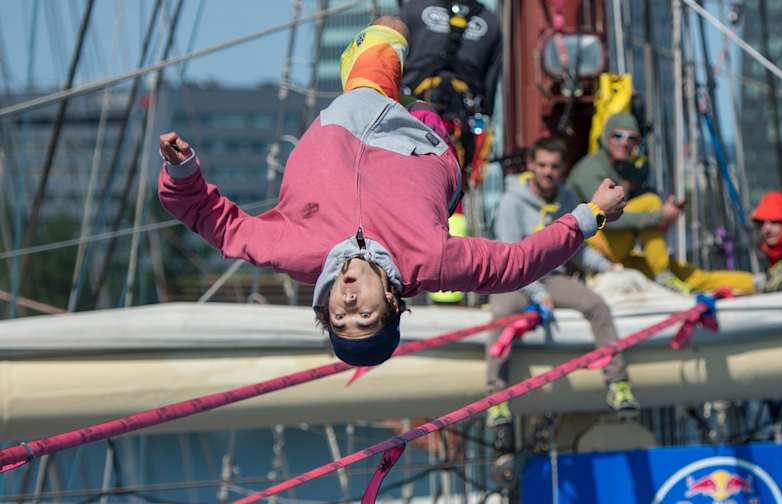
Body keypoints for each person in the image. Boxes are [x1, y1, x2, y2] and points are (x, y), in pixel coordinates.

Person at [157, 17, 626, 367]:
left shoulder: (292, 252)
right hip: (425, 138)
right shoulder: (430, 261)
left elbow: (211, 218)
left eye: (339, 320)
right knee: (449, 83)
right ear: (392, 303)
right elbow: (517, 266)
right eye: (365, 319)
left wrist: (183, 171)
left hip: (361, 105)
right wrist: (591, 215)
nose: (349, 309)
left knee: (393, 28)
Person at [485, 137, 637, 431]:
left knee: (597, 305)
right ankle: (496, 398)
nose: (547, 172)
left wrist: (610, 268)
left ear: (562, 169)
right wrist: (538, 294)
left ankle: (618, 384)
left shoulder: (566, 198)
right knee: (501, 316)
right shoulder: (510, 203)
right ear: (530, 166)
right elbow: (509, 255)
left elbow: (577, 246)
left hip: (553, 276)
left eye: (554, 166)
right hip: (515, 280)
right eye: (541, 165)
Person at [566, 113, 759, 295]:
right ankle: (662, 273)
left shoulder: (626, 169)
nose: (625, 142)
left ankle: (755, 283)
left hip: (617, 254)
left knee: (685, 275)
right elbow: (607, 220)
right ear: (606, 137)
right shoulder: (590, 170)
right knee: (650, 203)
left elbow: (642, 219)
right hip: (589, 253)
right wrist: (659, 216)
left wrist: (666, 213)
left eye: (632, 138)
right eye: (618, 136)